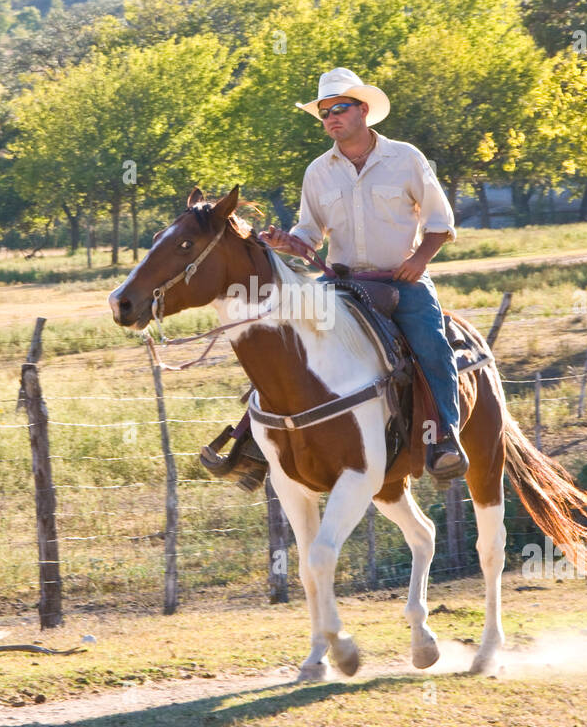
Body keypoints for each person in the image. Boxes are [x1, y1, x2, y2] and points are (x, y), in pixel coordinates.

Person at [201, 67, 468, 486]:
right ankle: (254, 443)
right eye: (324, 113)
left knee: (432, 347)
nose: (330, 119)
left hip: (403, 281)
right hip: (342, 283)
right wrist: (289, 241)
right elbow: (312, 230)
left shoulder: (406, 158)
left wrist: (420, 259)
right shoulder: (317, 172)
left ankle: (444, 440)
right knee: (284, 336)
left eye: (339, 109)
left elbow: (441, 221)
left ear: (363, 110)